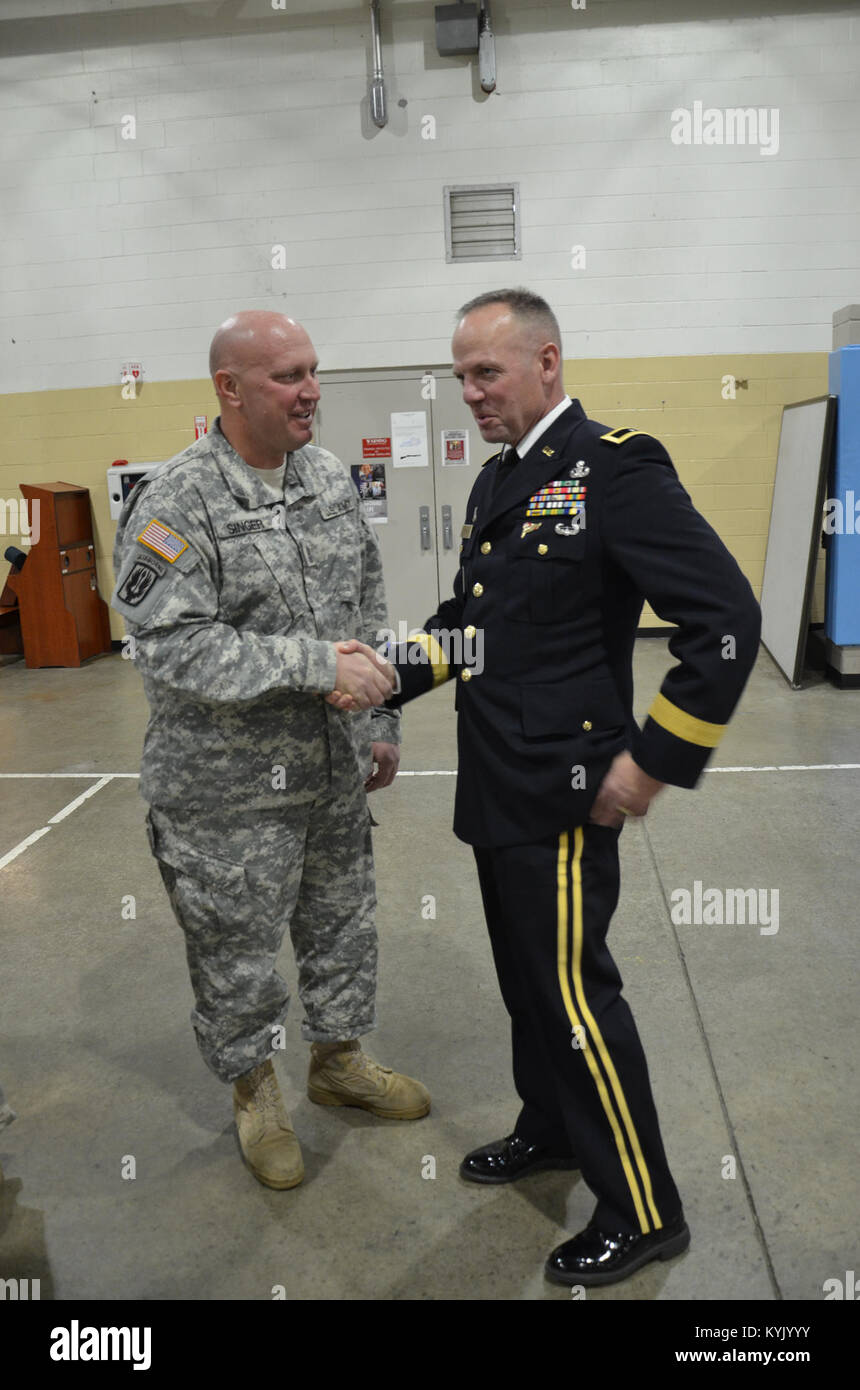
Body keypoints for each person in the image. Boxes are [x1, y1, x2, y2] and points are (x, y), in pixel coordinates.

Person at [332, 288, 761, 1287]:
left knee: (574, 996)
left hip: (568, 791)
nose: (467, 392)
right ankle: (553, 1128)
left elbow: (726, 620)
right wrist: (393, 667)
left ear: (546, 363)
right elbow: (478, 624)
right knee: (529, 988)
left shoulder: (614, 468)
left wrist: (653, 759)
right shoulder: (499, 482)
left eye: (486, 372)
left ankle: (642, 1207)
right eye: (459, 374)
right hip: (498, 783)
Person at [111, 310, 429, 1192]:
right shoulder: (176, 500)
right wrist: (315, 663)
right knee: (237, 949)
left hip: (329, 770)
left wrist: (379, 719)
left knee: (341, 924)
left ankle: (338, 1061)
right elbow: (171, 647)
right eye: (288, 375)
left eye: (314, 370)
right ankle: (256, 1091)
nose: (311, 390)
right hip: (227, 793)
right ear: (231, 388)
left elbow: (366, 603)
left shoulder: (327, 478)